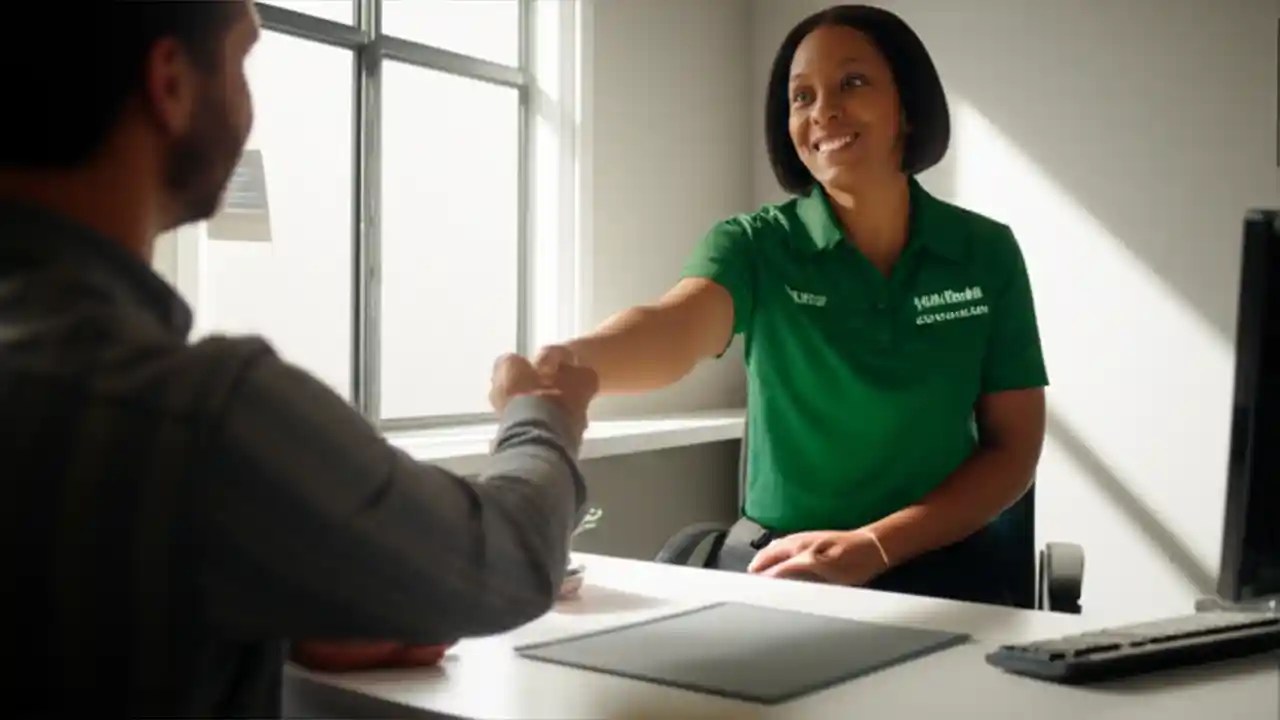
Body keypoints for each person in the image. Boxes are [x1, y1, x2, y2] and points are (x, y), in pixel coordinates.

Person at [3, 1, 596, 716]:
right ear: (171, 84)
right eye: (242, 60)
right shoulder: (203, 416)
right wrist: (545, 415)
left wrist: (262, 605)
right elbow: (506, 558)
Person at [534, 5, 1047, 604]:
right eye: (801, 96)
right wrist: (570, 363)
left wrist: (877, 545)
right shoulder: (754, 245)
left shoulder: (986, 253)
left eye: (852, 83)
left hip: (943, 564)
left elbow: (1014, 446)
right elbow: (674, 328)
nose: (822, 110)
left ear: (907, 107)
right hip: (785, 562)